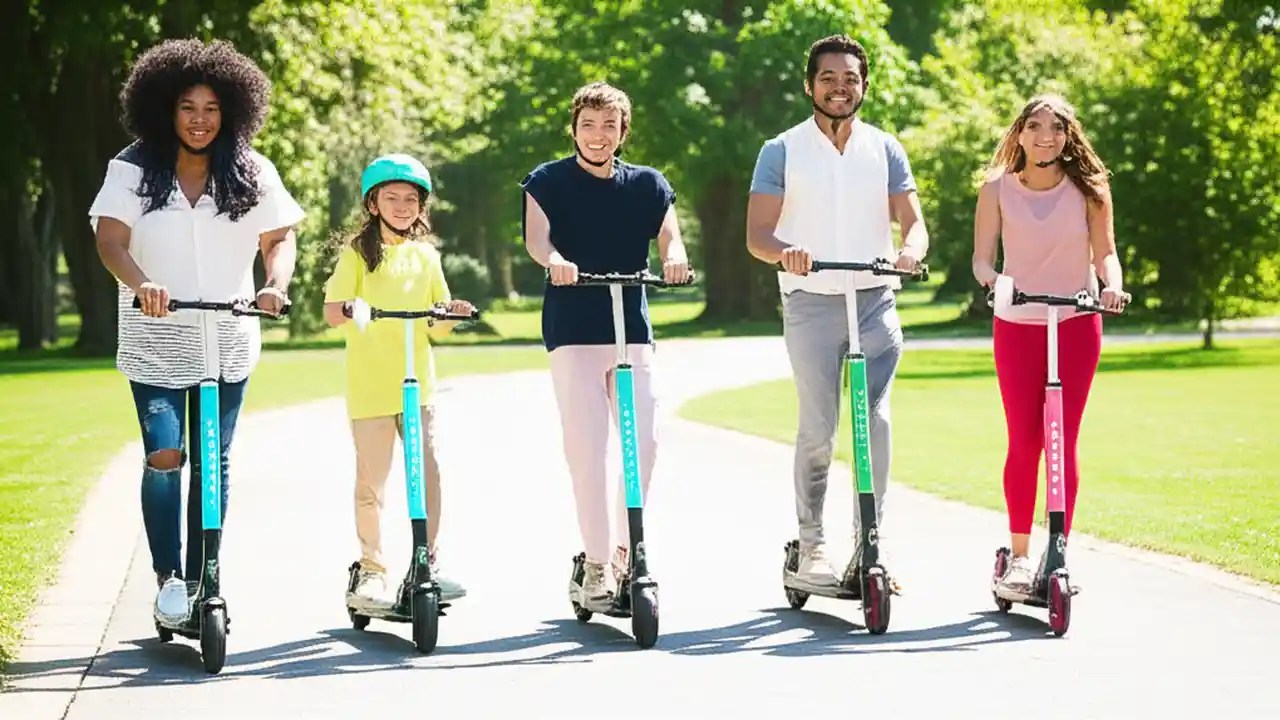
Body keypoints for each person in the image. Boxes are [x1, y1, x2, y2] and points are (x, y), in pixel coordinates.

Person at [90, 38, 304, 624]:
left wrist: (275, 285)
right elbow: (109, 239)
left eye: (211, 108)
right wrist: (141, 284)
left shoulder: (251, 169)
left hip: (227, 337)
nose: (201, 120)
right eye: (188, 107)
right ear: (166, 108)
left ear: (230, 110)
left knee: (213, 460)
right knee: (165, 454)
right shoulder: (132, 167)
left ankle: (207, 575)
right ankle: (169, 580)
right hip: (156, 337)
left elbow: (278, 237)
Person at [745, 34, 929, 591]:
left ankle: (870, 545)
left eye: (850, 78)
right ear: (809, 85)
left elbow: (914, 224)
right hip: (811, 303)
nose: (840, 88)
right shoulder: (781, 149)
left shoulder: (885, 148)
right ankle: (810, 545)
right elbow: (757, 235)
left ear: (864, 85)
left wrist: (909, 253)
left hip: (875, 301)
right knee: (819, 430)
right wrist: (786, 254)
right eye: (828, 78)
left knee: (875, 423)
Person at [520, 81, 692, 610]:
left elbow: (669, 234)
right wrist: (554, 262)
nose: (598, 136)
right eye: (589, 125)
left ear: (623, 133)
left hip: (630, 330)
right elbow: (537, 238)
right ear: (574, 128)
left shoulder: (647, 184)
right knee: (587, 452)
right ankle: (595, 563)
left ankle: (625, 551)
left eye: (609, 126)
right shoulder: (547, 181)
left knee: (645, 443)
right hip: (573, 330)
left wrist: (675, 257)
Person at [972, 93, 1130, 597]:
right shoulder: (996, 188)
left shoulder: (1091, 188)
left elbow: (1106, 253)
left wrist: (1111, 285)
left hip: (1077, 322)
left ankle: (1057, 550)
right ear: (1019, 133)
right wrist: (997, 283)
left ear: (1068, 135)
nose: (1047, 135)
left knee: (1061, 439)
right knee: (1026, 440)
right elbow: (981, 261)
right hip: (1018, 322)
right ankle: (1019, 559)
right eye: (1036, 125)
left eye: (1057, 127)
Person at [322, 154, 475, 609]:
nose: (403, 206)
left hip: (418, 387)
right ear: (373, 203)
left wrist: (453, 315)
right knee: (372, 483)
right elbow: (332, 312)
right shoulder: (356, 254)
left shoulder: (426, 255)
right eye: (392, 197)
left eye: (411, 199)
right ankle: (371, 569)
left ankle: (428, 560)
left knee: (428, 473)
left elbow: (436, 323)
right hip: (371, 387)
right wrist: (353, 309)